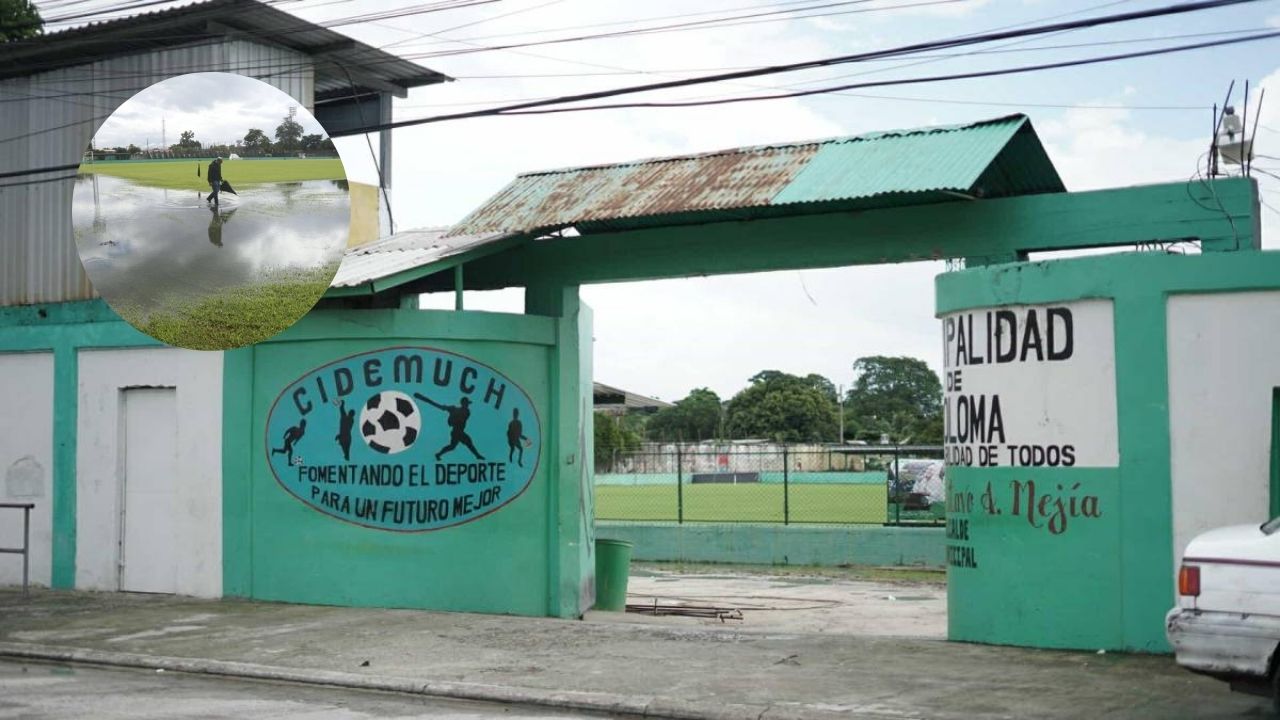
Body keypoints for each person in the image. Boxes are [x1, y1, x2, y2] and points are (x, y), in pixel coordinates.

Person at [414, 393, 484, 461]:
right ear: (463, 404)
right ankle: (477, 456)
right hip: (457, 432)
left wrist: (451, 411)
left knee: (452, 446)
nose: (467, 405)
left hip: (457, 432)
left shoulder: (466, 411)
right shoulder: (455, 409)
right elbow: (445, 411)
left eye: (467, 404)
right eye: (466, 404)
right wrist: (447, 408)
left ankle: (438, 454)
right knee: (466, 443)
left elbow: (460, 418)